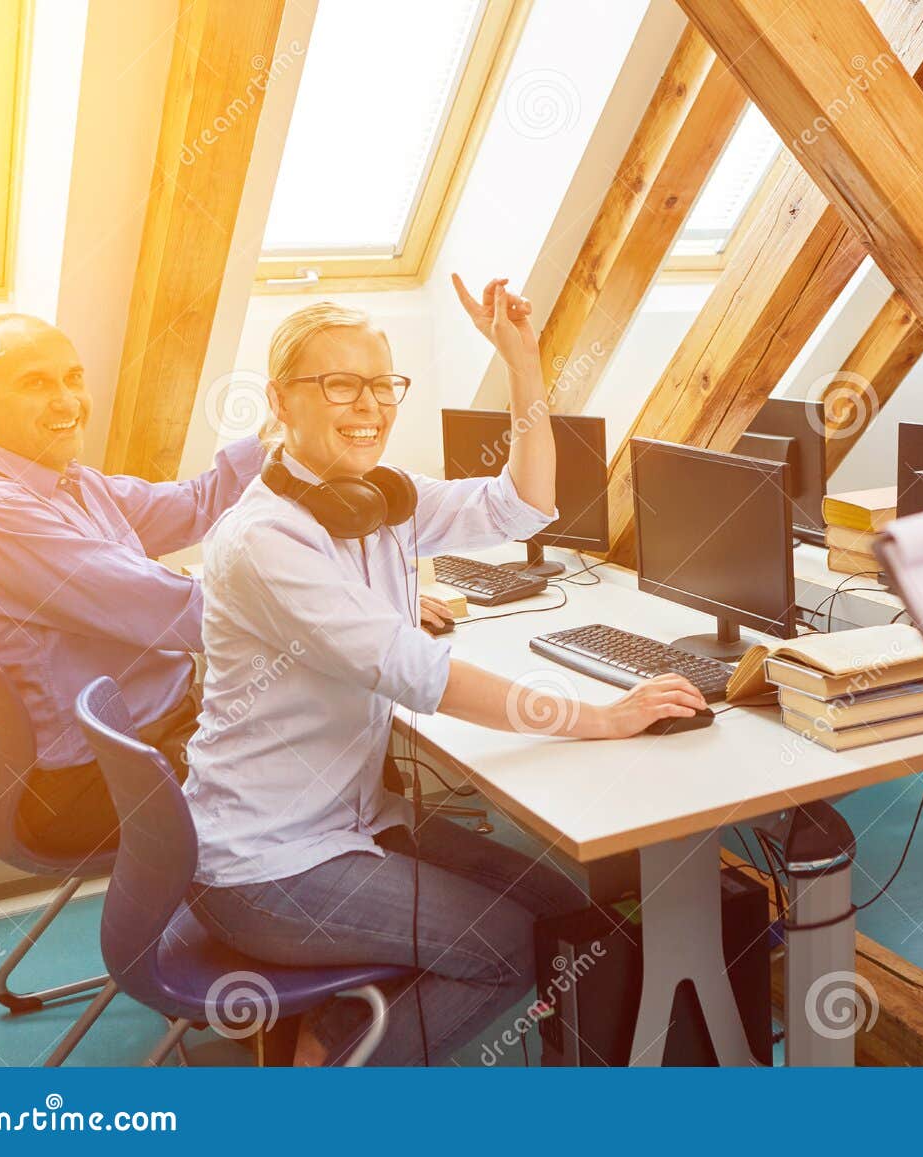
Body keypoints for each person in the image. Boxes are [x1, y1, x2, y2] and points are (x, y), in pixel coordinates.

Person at [183, 283, 707, 1066]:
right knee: (507, 945)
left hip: (357, 818)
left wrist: (522, 364)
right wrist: (601, 715)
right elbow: (422, 675)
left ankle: (334, 1025)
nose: (370, 405)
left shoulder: (377, 502)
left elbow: (521, 505)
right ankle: (328, 1063)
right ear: (280, 402)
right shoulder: (264, 539)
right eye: (340, 383)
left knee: (559, 904)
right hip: (268, 862)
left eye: (382, 383)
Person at [0, 314, 264, 858]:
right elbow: (180, 614)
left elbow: (195, 505)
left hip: (156, 735)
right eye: (36, 382)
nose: (66, 400)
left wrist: (280, 435)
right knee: (313, 765)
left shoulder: (69, 481)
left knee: (323, 739)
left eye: (73, 378)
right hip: (96, 780)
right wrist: (337, 607)